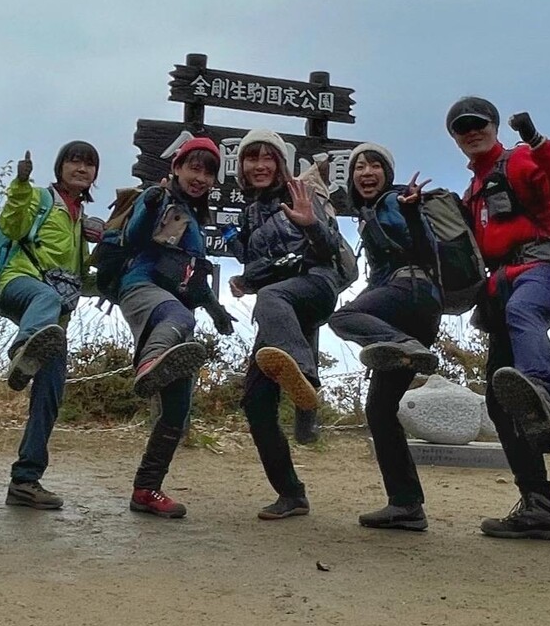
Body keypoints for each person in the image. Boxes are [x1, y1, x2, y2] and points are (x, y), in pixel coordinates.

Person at [452, 96, 550, 540]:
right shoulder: (474, 189)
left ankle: (544, 396)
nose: (471, 131)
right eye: (461, 128)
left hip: (544, 269)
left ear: (494, 126)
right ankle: (540, 506)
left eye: (478, 123)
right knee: (497, 397)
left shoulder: (521, 160)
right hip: (501, 284)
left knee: (524, 311)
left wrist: (537, 141)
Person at [224, 129, 354, 521]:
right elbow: (258, 264)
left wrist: (311, 223)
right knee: (256, 403)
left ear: (280, 163)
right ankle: (291, 494)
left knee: (271, 298)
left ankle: (306, 383)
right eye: (251, 158)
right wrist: (246, 279)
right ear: (242, 166)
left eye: (268, 158)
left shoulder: (300, 191)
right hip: (280, 310)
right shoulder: (250, 211)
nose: (260, 165)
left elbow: (329, 248)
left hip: (314, 286)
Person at [327, 143, 443, 530]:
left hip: (410, 294)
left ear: (387, 175)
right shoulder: (369, 214)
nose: (366, 171)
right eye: (359, 166)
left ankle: (404, 347)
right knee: (379, 410)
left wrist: (412, 214)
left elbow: (427, 250)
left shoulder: (394, 202)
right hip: (414, 311)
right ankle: (407, 505)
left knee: (344, 316)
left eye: (375, 165)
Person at [0, 141, 101, 510]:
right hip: (18, 283)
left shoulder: (81, 219)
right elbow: (11, 226)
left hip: (51, 323)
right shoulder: (40, 198)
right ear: (60, 166)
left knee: (51, 394)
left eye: (89, 164)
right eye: (74, 161)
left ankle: (25, 480)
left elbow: (78, 278)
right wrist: (20, 185)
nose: (81, 168)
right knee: (46, 299)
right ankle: (23, 350)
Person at [114, 136, 223, 518]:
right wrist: (153, 203)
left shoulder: (193, 218)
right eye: (194, 167)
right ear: (176, 168)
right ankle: (150, 363)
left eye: (208, 171)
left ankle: (146, 489)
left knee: (177, 409)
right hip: (142, 290)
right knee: (180, 318)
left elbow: (190, 276)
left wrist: (216, 308)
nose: (201, 177)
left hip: (174, 305)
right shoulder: (156, 197)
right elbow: (135, 236)